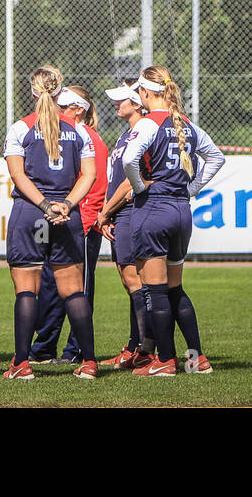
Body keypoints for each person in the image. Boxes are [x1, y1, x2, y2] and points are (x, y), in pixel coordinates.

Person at [104, 66, 225, 377]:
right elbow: (217, 158)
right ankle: (197, 358)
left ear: (144, 93)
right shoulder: (186, 124)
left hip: (154, 210)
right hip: (182, 210)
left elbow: (130, 160)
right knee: (175, 289)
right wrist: (193, 188)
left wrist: (140, 186)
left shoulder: (148, 123)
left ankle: (167, 361)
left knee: (155, 290)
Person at [2, 66, 99, 380]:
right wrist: (66, 204)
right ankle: (89, 363)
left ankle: (22, 364)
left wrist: (44, 204)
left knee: (26, 291)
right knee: (73, 291)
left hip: (31, 213)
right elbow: (89, 175)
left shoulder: (20, 128)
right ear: (61, 94)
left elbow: (18, 175)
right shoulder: (79, 130)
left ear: (32, 91)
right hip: (67, 215)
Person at [30, 86, 108, 365]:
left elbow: (96, 186)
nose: (58, 111)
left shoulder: (90, 139)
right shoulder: (65, 134)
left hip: (81, 224)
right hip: (60, 221)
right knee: (51, 287)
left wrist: (85, 221)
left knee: (79, 290)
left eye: (64, 107)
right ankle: (44, 348)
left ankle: (76, 350)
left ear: (78, 110)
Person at [95, 82, 153, 369]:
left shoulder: (143, 131)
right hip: (120, 212)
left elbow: (133, 180)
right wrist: (108, 213)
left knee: (136, 283)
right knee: (129, 283)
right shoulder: (124, 136)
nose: (117, 104)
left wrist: (106, 212)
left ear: (137, 102)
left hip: (131, 209)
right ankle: (135, 346)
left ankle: (147, 349)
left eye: (122, 100)